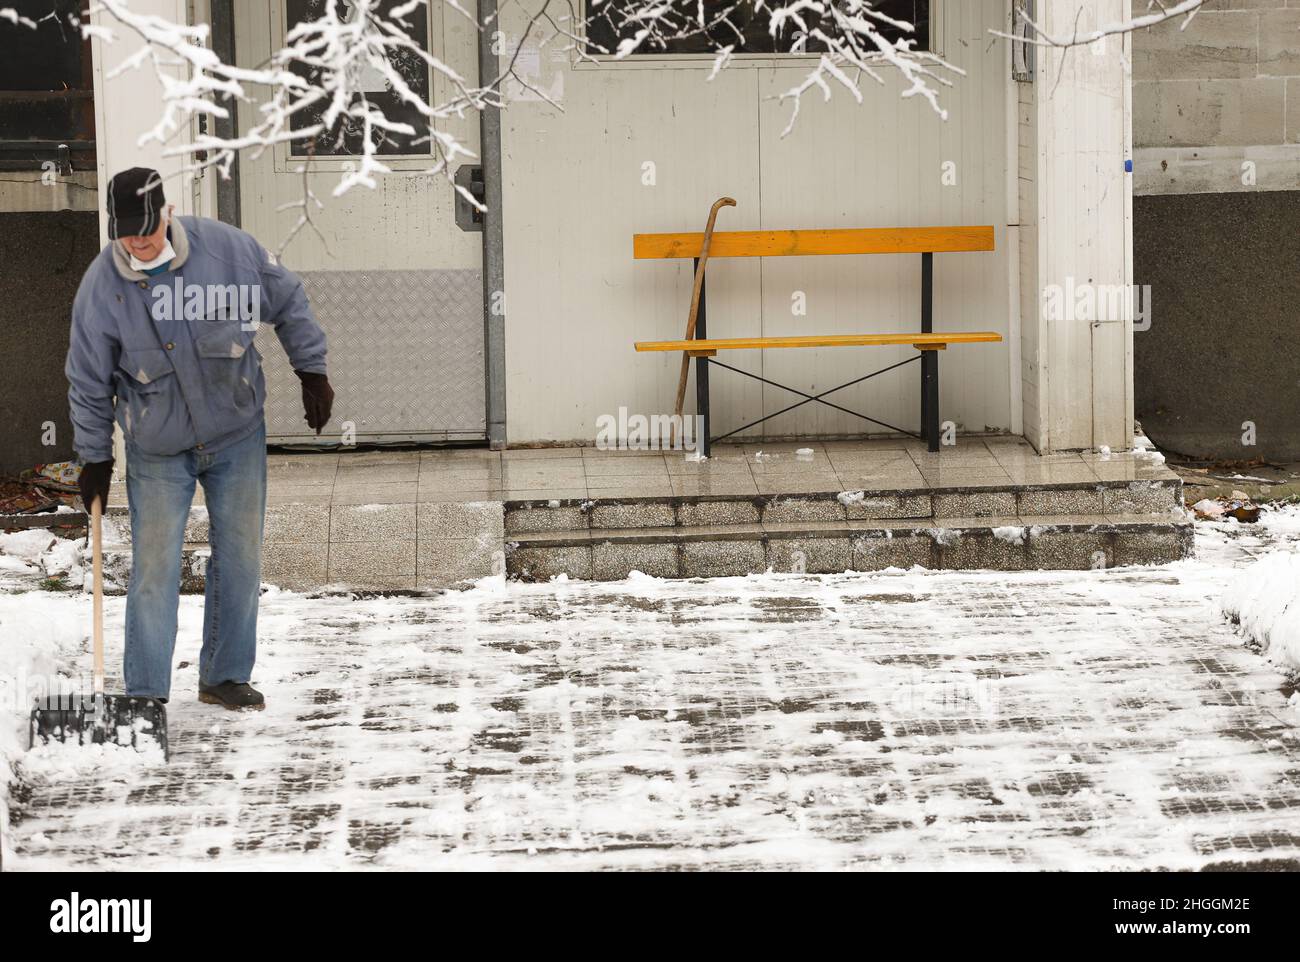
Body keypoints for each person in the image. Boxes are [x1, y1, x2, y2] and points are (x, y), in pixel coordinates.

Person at [66, 166, 334, 710]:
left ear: (167, 212)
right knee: (154, 568)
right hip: (157, 446)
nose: (138, 241)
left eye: (147, 227)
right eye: (127, 232)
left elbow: (288, 300)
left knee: (239, 557)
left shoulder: (229, 252)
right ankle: (144, 694)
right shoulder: (102, 286)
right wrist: (94, 456)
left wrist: (312, 370)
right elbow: (88, 378)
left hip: (235, 431)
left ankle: (224, 675)